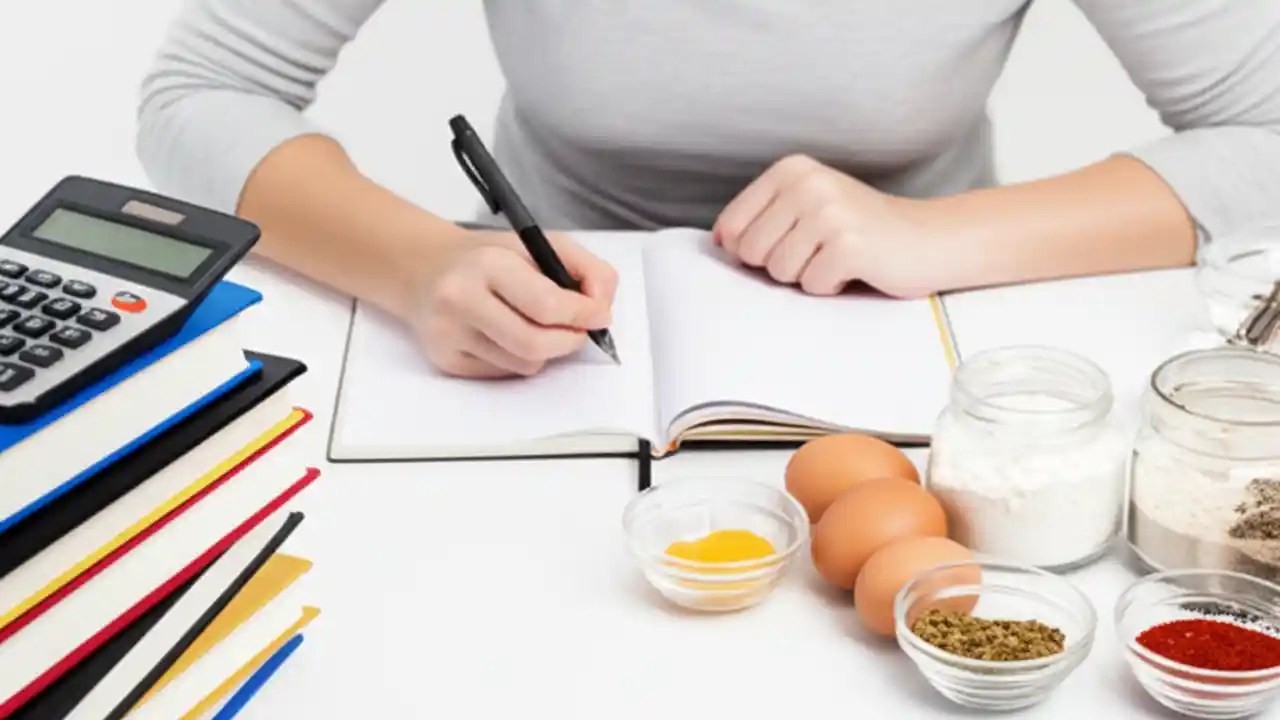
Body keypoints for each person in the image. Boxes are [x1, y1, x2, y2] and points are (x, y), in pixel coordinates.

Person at [136, 2, 1280, 378]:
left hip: (926, 346)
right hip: (521, 347)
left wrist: (931, 236)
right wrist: (415, 259)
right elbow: (203, 90)